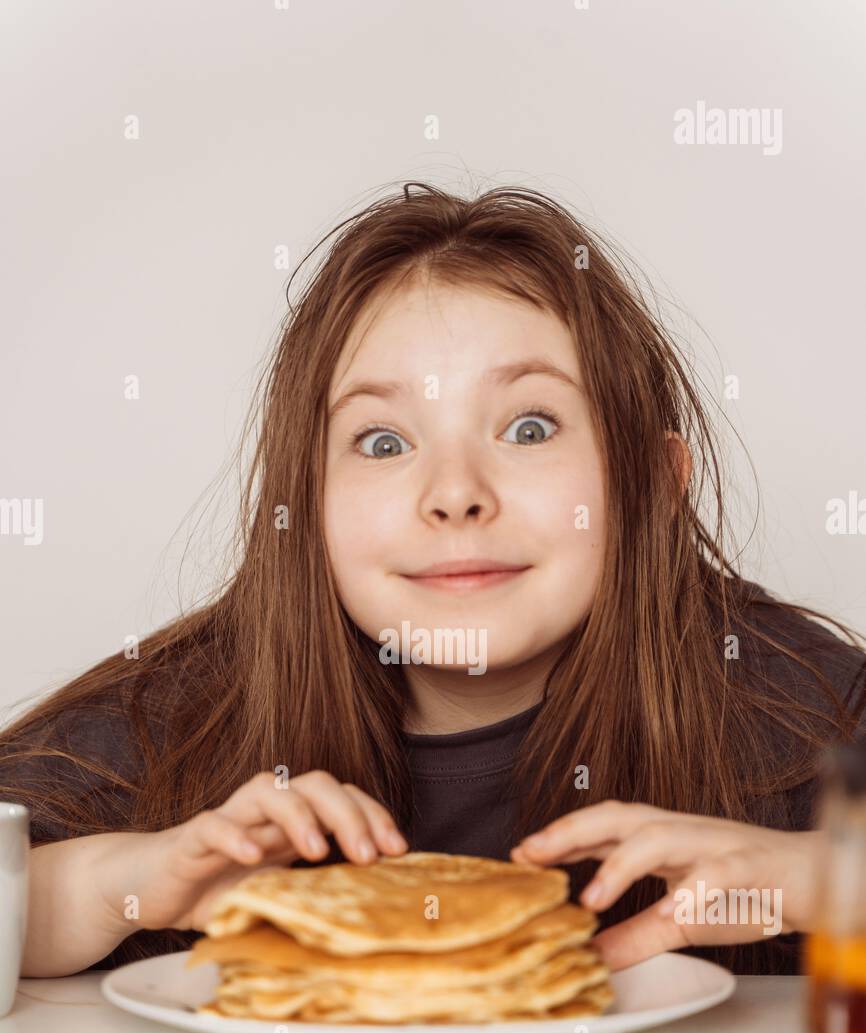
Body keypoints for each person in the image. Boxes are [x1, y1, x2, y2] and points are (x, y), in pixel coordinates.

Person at [2, 183, 864, 981]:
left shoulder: (802, 705)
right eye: (383, 442)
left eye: (529, 427)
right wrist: (100, 887)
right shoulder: (177, 721)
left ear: (654, 482)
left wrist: (827, 884)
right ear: (304, 506)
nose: (455, 494)